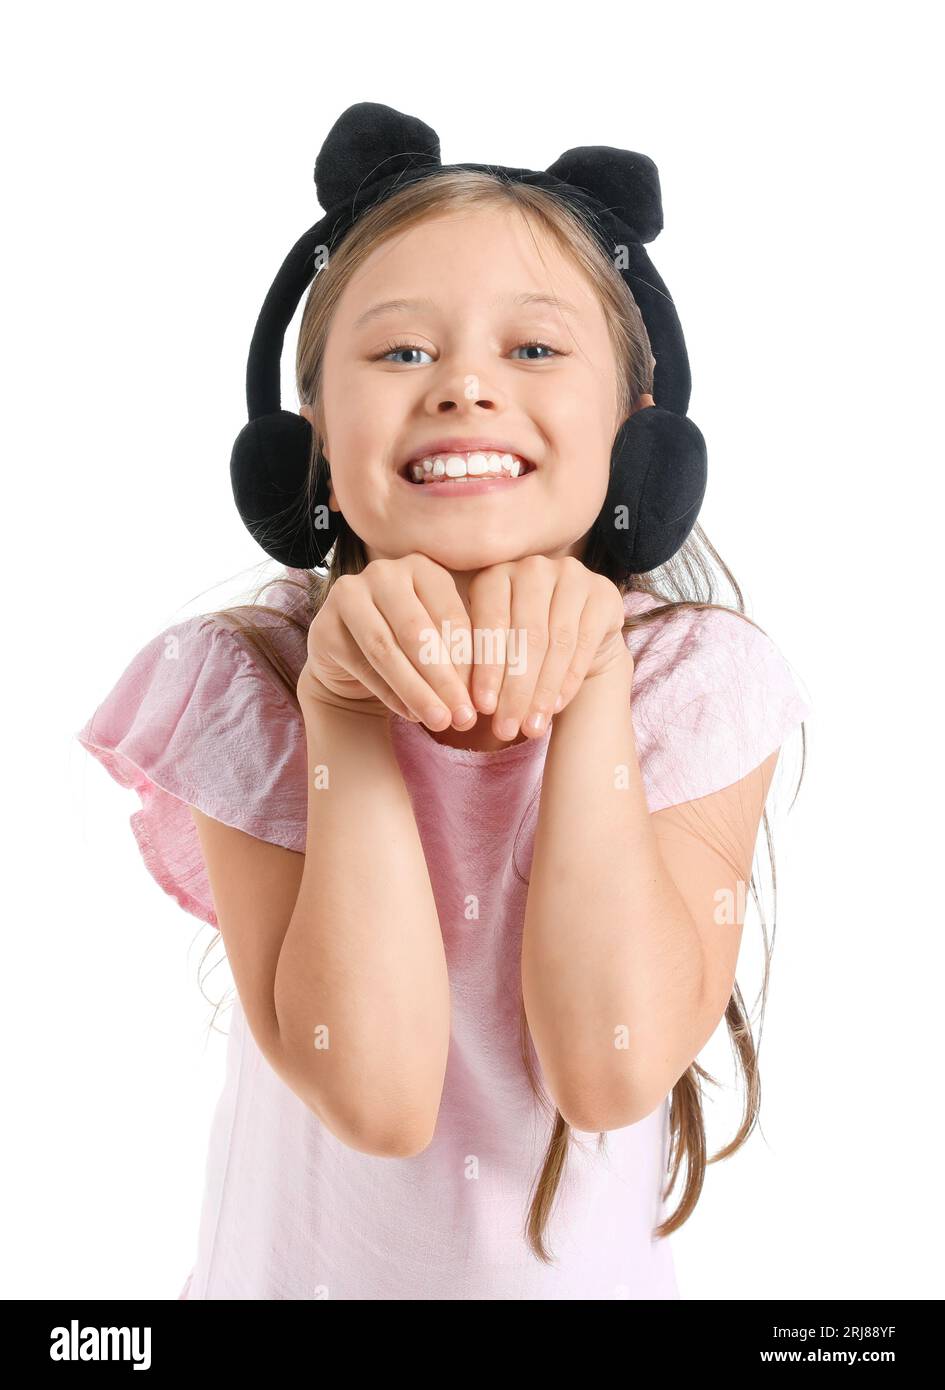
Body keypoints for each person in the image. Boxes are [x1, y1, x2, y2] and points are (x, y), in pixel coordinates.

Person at [75, 109, 812, 1300]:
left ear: (640, 439)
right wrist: (344, 707)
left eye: (534, 350)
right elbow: (376, 1091)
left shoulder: (694, 679)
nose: (466, 386)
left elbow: (607, 1071)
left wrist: (593, 687)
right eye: (403, 353)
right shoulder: (247, 675)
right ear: (306, 440)